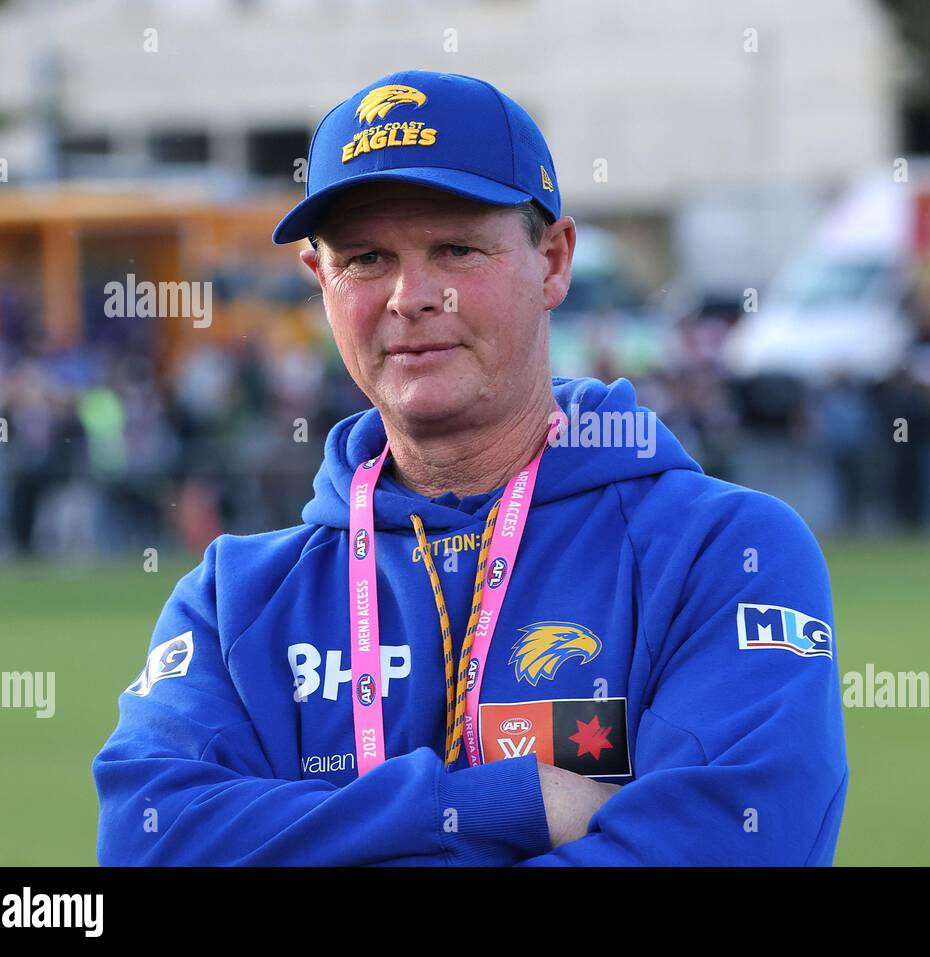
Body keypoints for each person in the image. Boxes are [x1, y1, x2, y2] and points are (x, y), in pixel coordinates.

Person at [93, 69, 847, 866]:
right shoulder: (233, 599)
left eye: (456, 248)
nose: (413, 296)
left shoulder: (723, 554)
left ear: (553, 262)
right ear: (321, 282)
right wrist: (506, 802)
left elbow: (727, 845)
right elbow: (152, 840)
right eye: (367, 258)